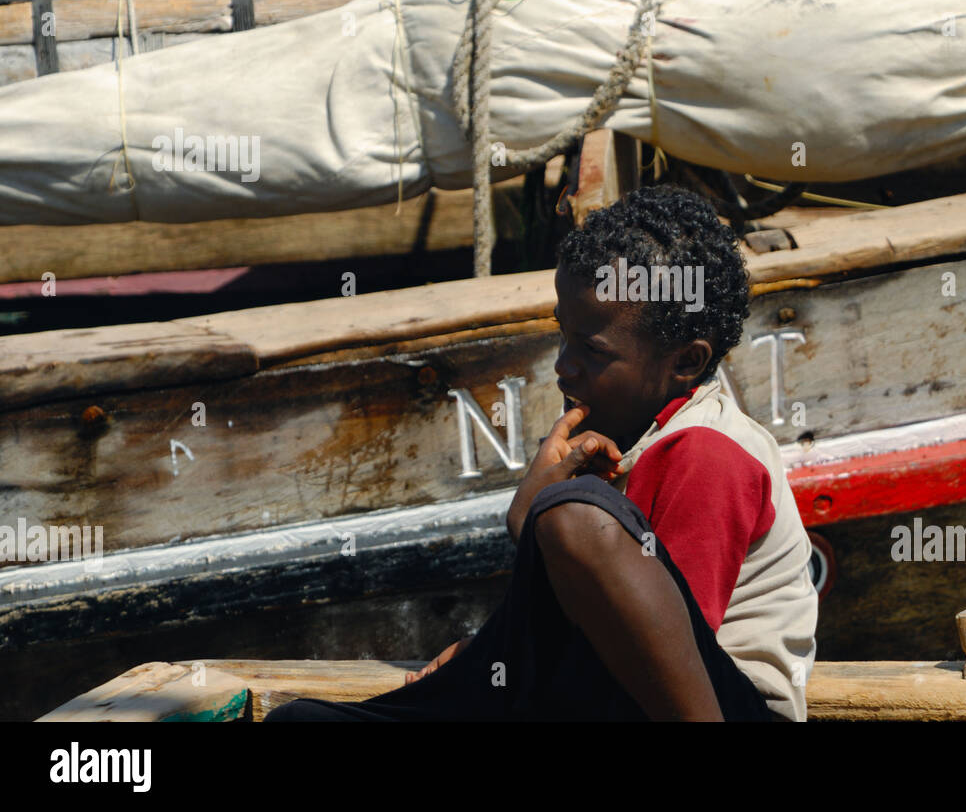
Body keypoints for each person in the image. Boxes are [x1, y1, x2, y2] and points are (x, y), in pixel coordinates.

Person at [264, 185, 818, 722]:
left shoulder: (706, 453)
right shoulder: (639, 434)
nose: (563, 365)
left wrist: (541, 518)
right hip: (623, 691)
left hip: (716, 706)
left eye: (592, 349)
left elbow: (659, 648)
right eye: (564, 335)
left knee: (576, 519)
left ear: (687, 362)